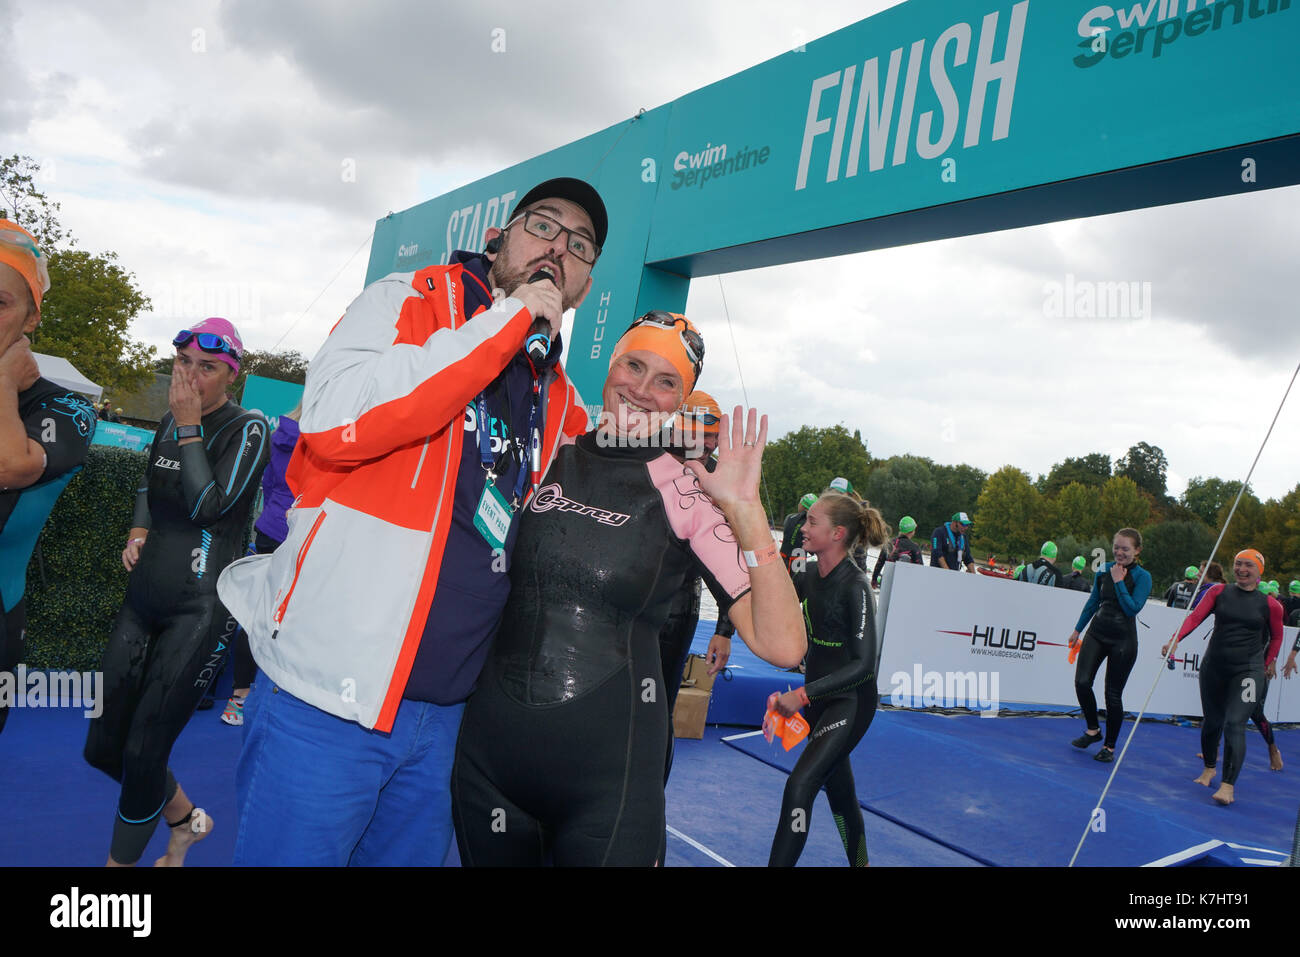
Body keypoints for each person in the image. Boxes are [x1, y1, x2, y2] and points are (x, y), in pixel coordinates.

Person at [216, 178, 603, 866]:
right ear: (499, 239)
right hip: (326, 700)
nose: (558, 249)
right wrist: (504, 324)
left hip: (447, 720)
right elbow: (333, 422)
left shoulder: (560, 397)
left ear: (583, 286)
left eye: (580, 246)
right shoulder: (408, 300)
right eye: (543, 226)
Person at [451, 315, 806, 867]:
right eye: (633, 365)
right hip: (488, 765)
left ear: (682, 400)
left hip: (608, 783)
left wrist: (747, 512)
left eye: (666, 381)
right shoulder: (546, 453)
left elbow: (784, 645)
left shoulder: (685, 490)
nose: (641, 389)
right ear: (610, 367)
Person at [84, 317, 269, 866]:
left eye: (207, 367)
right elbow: (149, 482)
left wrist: (190, 427)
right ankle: (186, 821)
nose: (190, 376)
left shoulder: (247, 427)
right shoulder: (169, 419)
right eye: (184, 363)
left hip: (202, 607)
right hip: (145, 598)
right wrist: (138, 530)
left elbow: (209, 505)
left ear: (230, 376)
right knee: (102, 749)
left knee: (145, 749)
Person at [0, 221, 97, 735]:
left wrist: (1, 381)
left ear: (32, 316)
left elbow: (10, 466)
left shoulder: (63, 405)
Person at [768, 491, 886, 867]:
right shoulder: (808, 574)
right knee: (840, 792)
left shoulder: (856, 588)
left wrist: (803, 694)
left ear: (837, 533)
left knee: (800, 786)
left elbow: (864, 665)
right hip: (819, 699)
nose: (803, 528)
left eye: (812, 522)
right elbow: (779, 612)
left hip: (850, 701)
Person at [1161, 549, 1283, 805]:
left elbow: (1277, 637)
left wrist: (1267, 662)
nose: (1241, 569)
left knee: (1234, 723)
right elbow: (1194, 617)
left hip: (1248, 671)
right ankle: (1209, 768)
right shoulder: (1217, 592)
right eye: (1238, 564)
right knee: (1212, 721)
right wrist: (1175, 639)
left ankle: (1228, 786)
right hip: (1214, 666)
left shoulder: (1270, 604)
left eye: (1248, 565)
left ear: (1259, 570)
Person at [658, 389, 735, 782]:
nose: (706, 448)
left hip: (677, 607)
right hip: (626, 601)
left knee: (658, 709)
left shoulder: (719, 476)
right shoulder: (647, 452)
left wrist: (724, 630)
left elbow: (733, 559)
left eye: (712, 441)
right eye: (700, 438)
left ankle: (649, 798)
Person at [218, 404, 301, 727]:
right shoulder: (320, 439)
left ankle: (239, 698)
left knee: (257, 616)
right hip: (297, 534)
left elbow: (267, 482)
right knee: (286, 621)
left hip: (269, 528)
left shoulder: (279, 435)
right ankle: (269, 699)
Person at [1067, 528, 1152, 763]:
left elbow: (1132, 608)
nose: (1120, 552)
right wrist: (1077, 629)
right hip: (1097, 632)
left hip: (1123, 640)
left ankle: (1109, 747)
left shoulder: (1143, 577)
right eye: (1116, 547)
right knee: (1082, 682)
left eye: (1126, 549)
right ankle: (1093, 730)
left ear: (1137, 551)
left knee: (1112, 695)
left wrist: (1119, 581)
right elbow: (1094, 601)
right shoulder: (1103, 570)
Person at [870, 515, 922, 588]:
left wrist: (874, 580)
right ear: (912, 531)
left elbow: (880, 562)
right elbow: (920, 570)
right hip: (905, 584)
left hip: (887, 582)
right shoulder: (914, 547)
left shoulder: (889, 543)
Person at [780, 492, 817, 569]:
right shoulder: (812, 523)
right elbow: (813, 550)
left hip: (782, 561)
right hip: (798, 563)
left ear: (803, 505)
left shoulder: (789, 517)